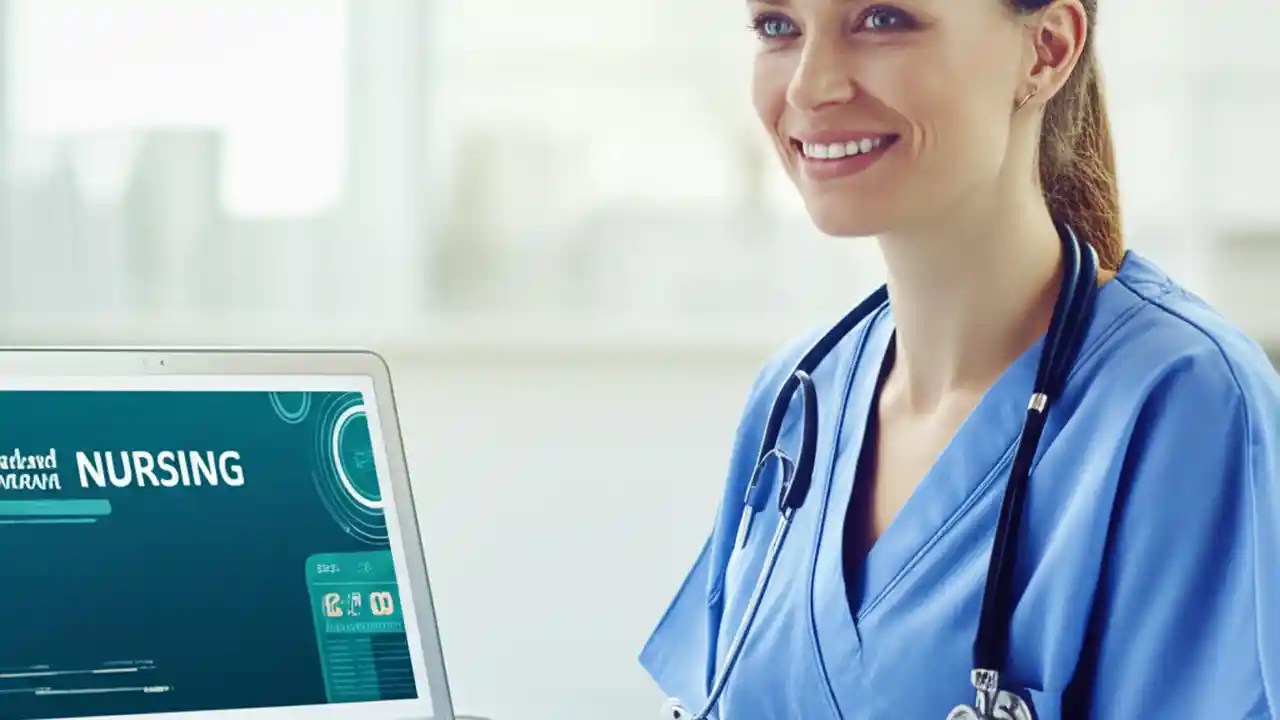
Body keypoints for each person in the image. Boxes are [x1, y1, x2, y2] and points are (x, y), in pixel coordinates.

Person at [638, 0, 1280, 718]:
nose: (810, 87)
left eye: (882, 19)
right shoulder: (797, 398)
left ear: (1045, 49)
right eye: (777, 27)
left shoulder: (1185, 403)